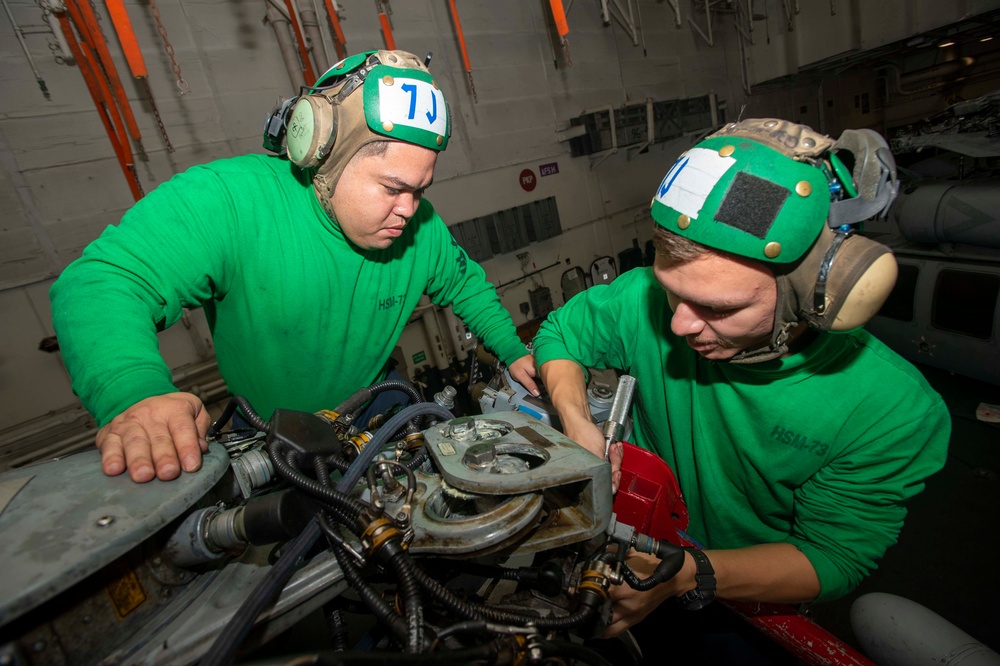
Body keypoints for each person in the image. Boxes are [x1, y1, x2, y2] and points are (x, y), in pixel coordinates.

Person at [533, 118, 949, 655]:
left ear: (814, 295)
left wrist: (685, 573)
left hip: (739, 597)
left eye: (718, 308)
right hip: (634, 542)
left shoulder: (891, 407)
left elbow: (832, 557)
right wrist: (577, 423)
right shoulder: (643, 301)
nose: (680, 325)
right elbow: (560, 334)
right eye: (671, 292)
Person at [50, 49, 538, 484]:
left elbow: (465, 284)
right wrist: (134, 392)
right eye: (392, 189)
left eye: (420, 190)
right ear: (320, 152)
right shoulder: (229, 202)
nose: (410, 210)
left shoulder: (422, 230)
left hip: (376, 407)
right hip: (270, 433)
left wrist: (514, 353)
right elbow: (102, 281)